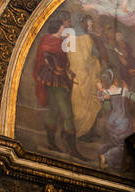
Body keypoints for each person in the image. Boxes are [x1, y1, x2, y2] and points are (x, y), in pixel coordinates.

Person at [33, 16, 83, 159]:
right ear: (57, 28)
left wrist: (68, 71)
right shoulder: (48, 40)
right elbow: (45, 56)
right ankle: (71, 148)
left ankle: (55, 144)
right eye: (62, 27)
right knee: (67, 113)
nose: (64, 30)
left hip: (59, 77)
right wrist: (55, 69)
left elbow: (64, 61)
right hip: (52, 77)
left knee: (54, 110)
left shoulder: (61, 42)